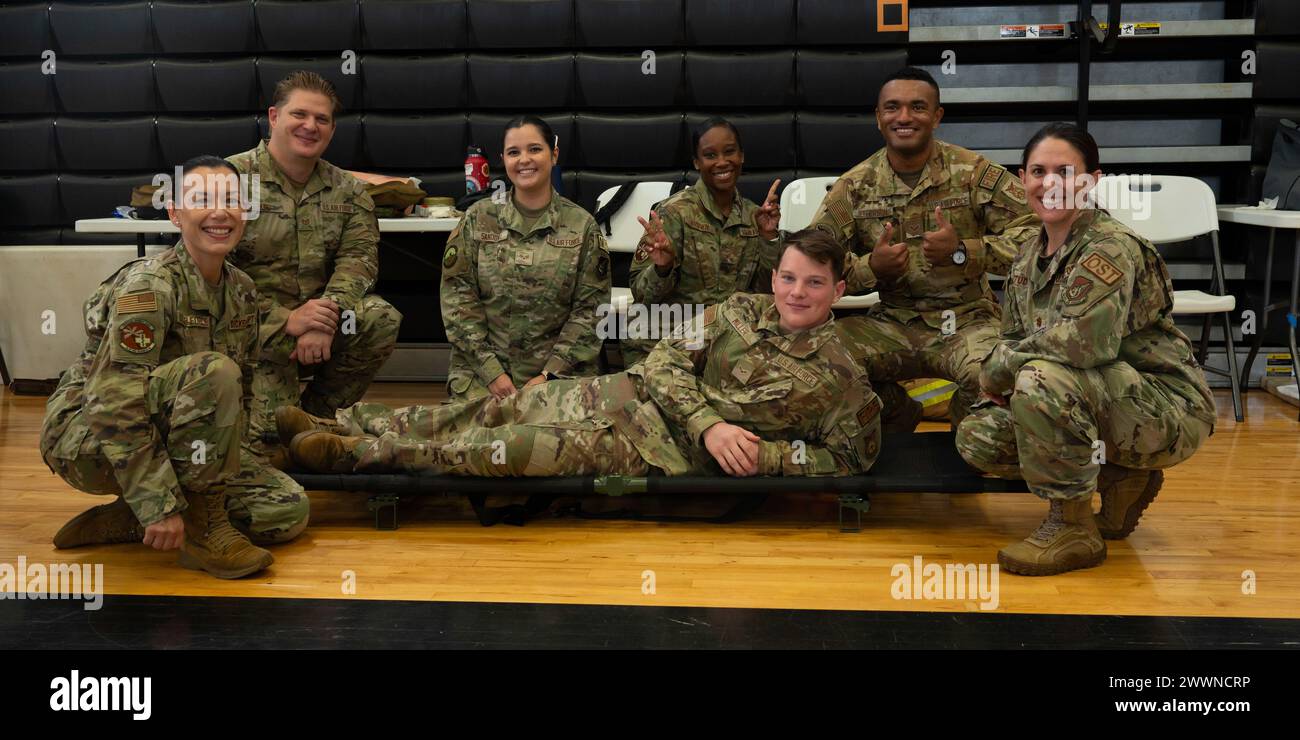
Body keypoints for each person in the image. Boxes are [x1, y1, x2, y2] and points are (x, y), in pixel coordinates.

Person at [280, 230, 880, 480]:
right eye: (788, 278)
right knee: (508, 410)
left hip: (660, 450)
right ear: (774, 277)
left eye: (814, 283)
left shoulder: (845, 374)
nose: (796, 293)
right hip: (633, 395)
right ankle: (343, 421)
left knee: (510, 450)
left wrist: (757, 454)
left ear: (839, 290)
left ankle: (360, 453)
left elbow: (849, 459)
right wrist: (711, 420)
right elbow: (669, 360)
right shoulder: (738, 311)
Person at [955, 123, 1216, 576]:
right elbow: (1016, 338)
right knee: (980, 435)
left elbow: (1084, 345)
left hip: (1165, 407)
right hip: (1103, 401)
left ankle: (1073, 527)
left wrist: (1000, 369)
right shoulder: (1026, 257)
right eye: (1038, 171)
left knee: (1038, 379)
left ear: (1091, 181)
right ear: (1022, 180)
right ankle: (1120, 476)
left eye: (1065, 171)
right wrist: (998, 378)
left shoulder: (1110, 246)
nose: (1050, 183)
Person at [40, 156, 309, 579]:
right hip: (87, 438)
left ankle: (127, 520)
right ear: (175, 212)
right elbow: (113, 401)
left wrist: (241, 457)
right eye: (202, 199)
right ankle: (199, 532)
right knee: (213, 370)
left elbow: (244, 394)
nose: (220, 212)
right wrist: (157, 503)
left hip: (170, 435)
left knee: (285, 512)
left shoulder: (242, 290)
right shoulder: (149, 286)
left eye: (232, 200)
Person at [808, 67, 1038, 432]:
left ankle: (966, 439)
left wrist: (965, 251)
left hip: (968, 321)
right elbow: (814, 263)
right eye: (892, 108)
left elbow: (1036, 238)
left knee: (998, 376)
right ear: (878, 118)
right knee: (816, 359)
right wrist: (871, 268)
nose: (904, 117)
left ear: (937, 116)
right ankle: (898, 415)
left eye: (917, 107)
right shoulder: (854, 186)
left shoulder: (974, 173)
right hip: (891, 323)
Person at [227, 70, 402, 463]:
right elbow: (213, 274)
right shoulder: (231, 180)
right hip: (249, 330)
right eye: (299, 115)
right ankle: (284, 424)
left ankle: (318, 418)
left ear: (332, 128)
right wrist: (285, 319)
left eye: (322, 119)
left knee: (379, 318)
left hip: (319, 325)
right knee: (271, 443)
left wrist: (323, 318)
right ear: (274, 117)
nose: (310, 126)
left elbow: (359, 261)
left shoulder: (349, 189)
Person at [440, 115, 611, 401]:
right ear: (503, 160)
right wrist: (492, 371)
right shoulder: (477, 219)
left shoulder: (583, 226)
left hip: (560, 378)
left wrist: (548, 376)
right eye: (513, 152)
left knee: (551, 443)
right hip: (483, 377)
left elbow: (591, 313)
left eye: (535, 149)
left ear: (553, 154)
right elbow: (458, 301)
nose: (524, 160)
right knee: (477, 442)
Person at [624, 117, 782, 365]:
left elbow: (767, 294)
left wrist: (769, 238)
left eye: (729, 151)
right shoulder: (673, 213)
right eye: (710, 155)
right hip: (668, 341)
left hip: (730, 342)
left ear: (742, 156)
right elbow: (641, 295)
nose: (722, 162)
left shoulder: (755, 217)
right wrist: (662, 268)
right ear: (697, 162)